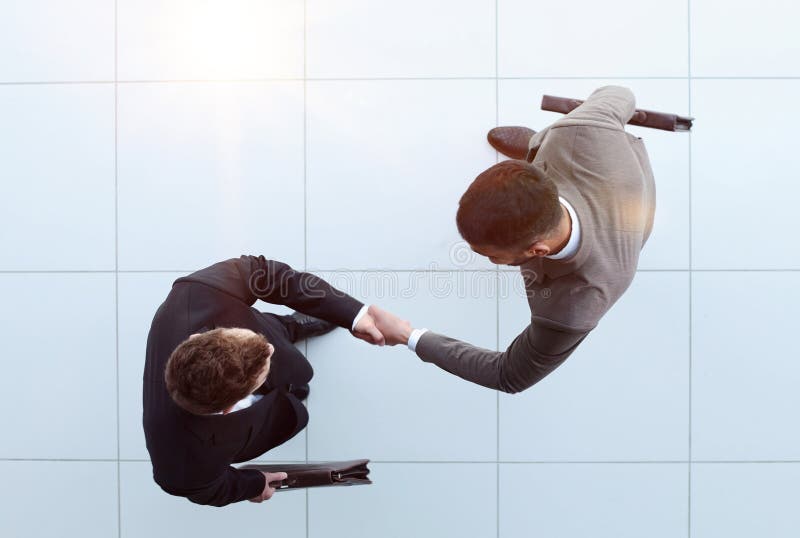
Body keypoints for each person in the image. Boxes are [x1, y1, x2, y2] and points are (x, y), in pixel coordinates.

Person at [368, 85, 656, 394]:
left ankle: (534, 155)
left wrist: (409, 335)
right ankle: (533, 154)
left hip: (631, 212)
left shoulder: (576, 304)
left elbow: (509, 375)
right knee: (551, 140)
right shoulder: (581, 127)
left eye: (491, 255)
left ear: (537, 251)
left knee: (554, 143)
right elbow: (619, 93)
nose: (488, 260)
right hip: (587, 162)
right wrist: (590, 111)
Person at [143, 255, 384, 506]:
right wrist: (252, 485)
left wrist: (354, 315)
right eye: (262, 369)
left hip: (264, 332)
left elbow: (263, 272)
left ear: (197, 338)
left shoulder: (195, 292)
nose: (269, 350)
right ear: (229, 407)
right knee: (294, 410)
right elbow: (208, 489)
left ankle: (292, 326)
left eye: (241, 337)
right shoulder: (181, 463)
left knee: (279, 341)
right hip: (251, 427)